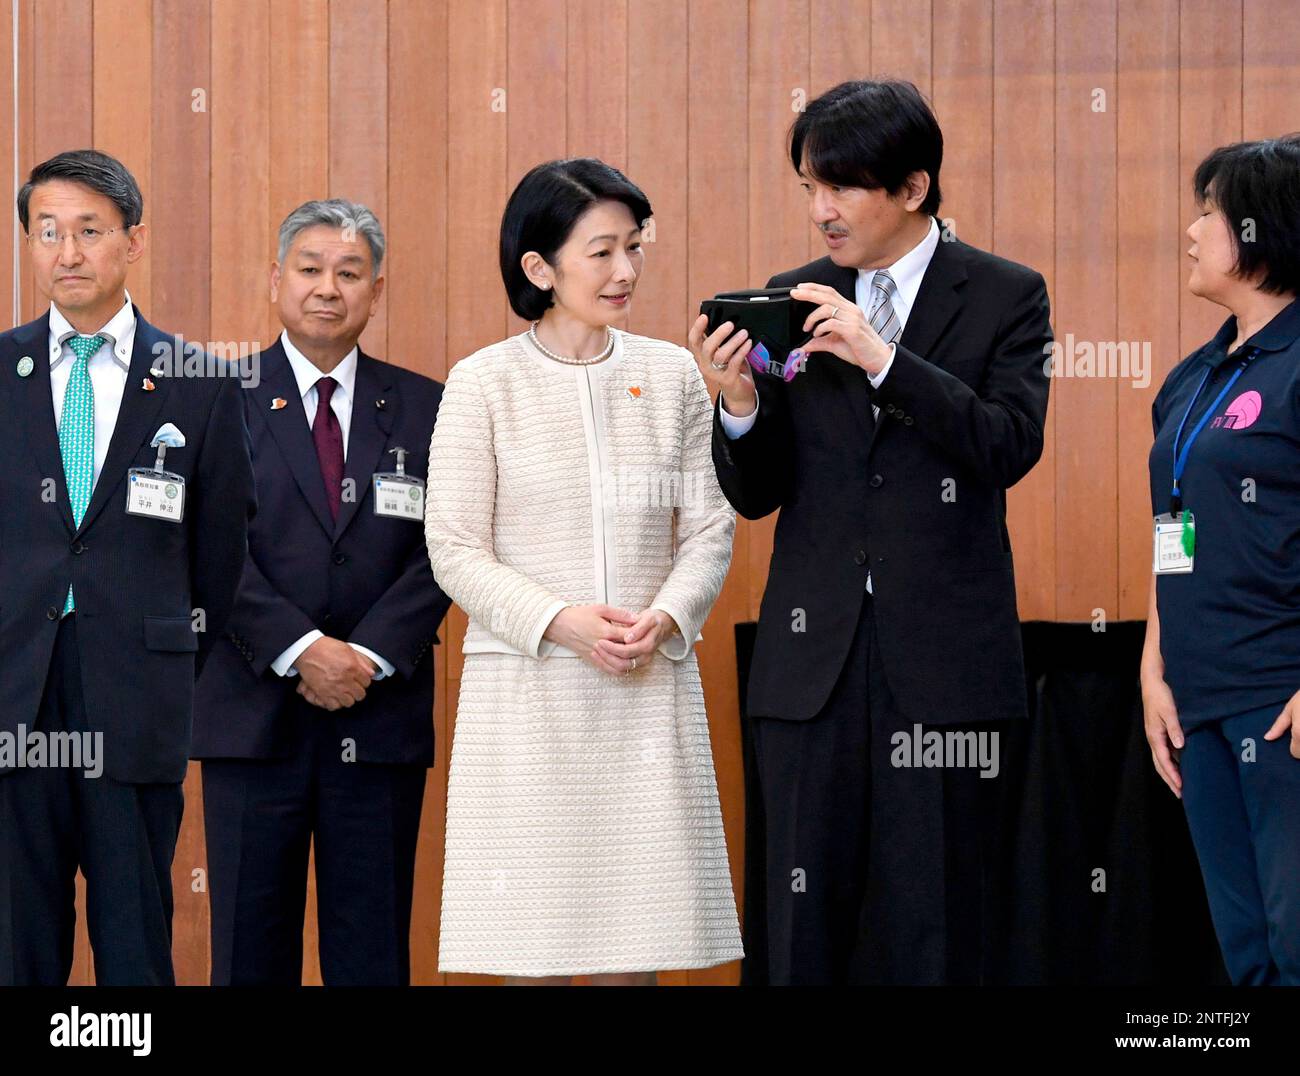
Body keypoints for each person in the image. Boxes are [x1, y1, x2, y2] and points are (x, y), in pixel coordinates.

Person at [692, 79, 1052, 985]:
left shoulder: (1008, 293)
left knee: (939, 919)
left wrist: (883, 357)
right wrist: (738, 404)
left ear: (913, 188)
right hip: (810, 663)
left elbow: (1007, 445)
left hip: (944, 667)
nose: (821, 212)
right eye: (809, 188)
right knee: (800, 925)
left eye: (840, 188)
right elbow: (759, 492)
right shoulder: (788, 297)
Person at [425, 158, 743, 984]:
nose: (626, 271)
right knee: (533, 943)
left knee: (635, 951)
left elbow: (709, 527)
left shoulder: (672, 372)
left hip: (644, 689)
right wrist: (559, 621)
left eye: (633, 248)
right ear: (540, 268)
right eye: (601, 252)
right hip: (527, 694)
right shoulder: (482, 382)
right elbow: (454, 546)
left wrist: (667, 618)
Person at [0, 149, 255, 985]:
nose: (66, 253)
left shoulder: (199, 384)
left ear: (133, 241)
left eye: (88, 231)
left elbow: (220, 564)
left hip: (134, 696)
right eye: (47, 233)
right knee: (16, 937)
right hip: (14, 694)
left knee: (135, 933)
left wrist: (167, 659)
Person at [193, 199, 451, 985]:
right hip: (250, 714)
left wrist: (365, 655)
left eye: (349, 273)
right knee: (247, 950)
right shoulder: (213, 398)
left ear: (376, 289)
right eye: (309, 270)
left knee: (371, 949)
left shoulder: (429, 405)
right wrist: (301, 650)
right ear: (276, 280)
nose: (327, 289)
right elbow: (199, 543)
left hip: (379, 716)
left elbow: (451, 546)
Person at [1142, 134, 1300, 986]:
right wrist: (1152, 663)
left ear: (1261, 228)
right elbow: (1175, 523)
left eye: (1208, 212)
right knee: (1247, 958)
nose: (1192, 231)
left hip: (1282, 697)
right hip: (1199, 698)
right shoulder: (1192, 378)